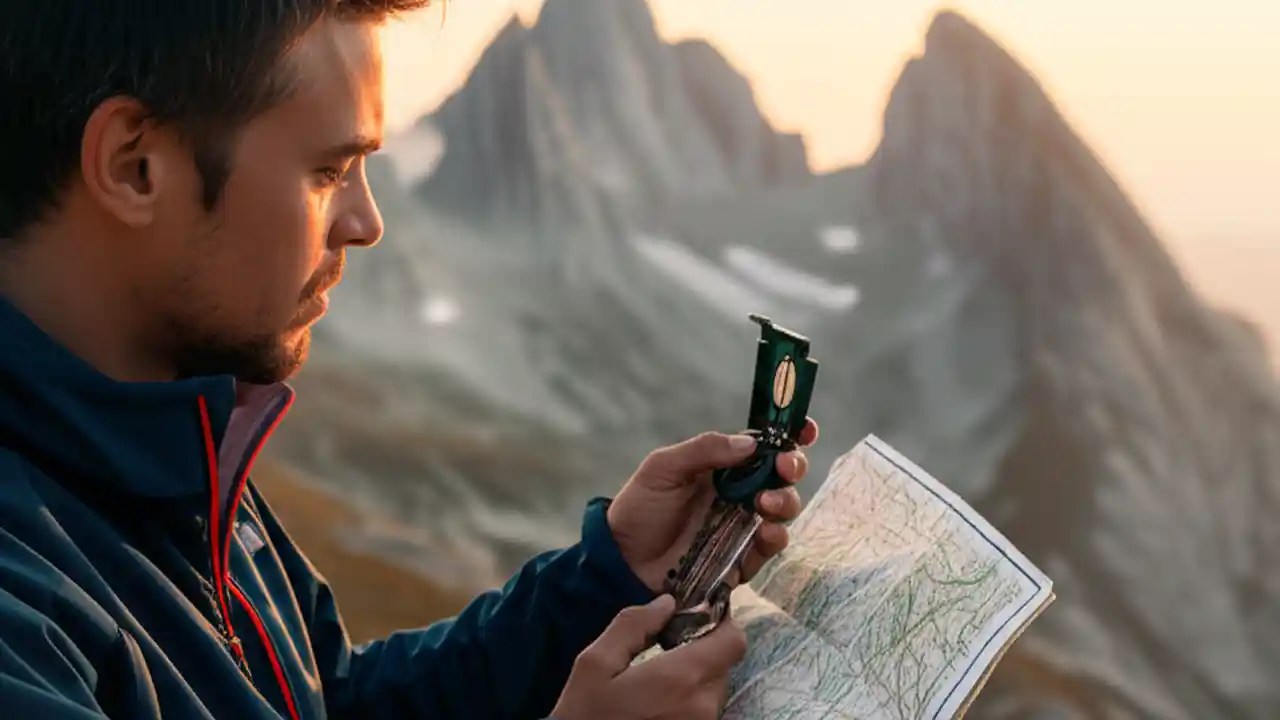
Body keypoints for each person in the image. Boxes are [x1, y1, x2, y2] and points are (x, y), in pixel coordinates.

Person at [0, 2, 819, 718]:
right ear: (133, 166)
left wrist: (606, 579)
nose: (364, 221)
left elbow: (332, 704)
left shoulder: (170, 445)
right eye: (328, 169)